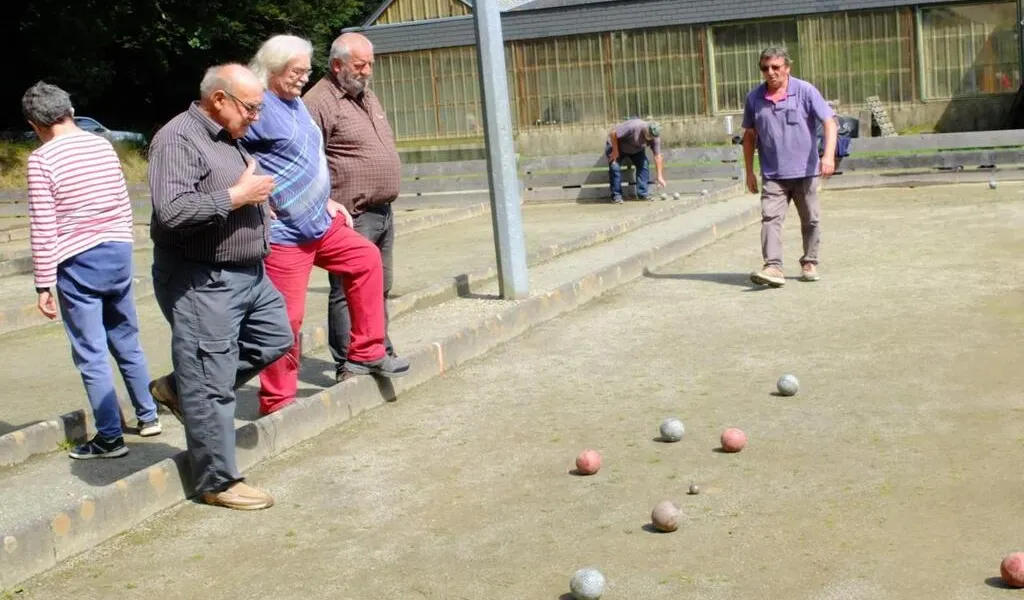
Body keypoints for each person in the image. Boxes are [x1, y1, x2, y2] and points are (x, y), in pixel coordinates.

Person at [146, 63, 294, 511]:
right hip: (201, 278)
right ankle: (217, 481)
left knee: (275, 338)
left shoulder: (228, 135)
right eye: (251, 107)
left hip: (248, 273)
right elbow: (171, 212)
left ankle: (179, 388)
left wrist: (257, 207)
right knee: (210, 383)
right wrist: (235, 197)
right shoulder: (176, 139)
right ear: (219, 100)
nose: (256, 116)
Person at [241, 35, 409, 416]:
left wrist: (325, 195)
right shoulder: (260, 106)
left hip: (320, 219)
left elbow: (310, 157)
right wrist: (249, 191)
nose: (303, 77)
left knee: (366, 260)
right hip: (286, 232)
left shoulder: (295, 104)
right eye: (296, 71)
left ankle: (367, 351)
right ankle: (278, 401)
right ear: (273, 69)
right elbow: (230, 146)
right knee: (287, 320)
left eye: (305, 70)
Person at [22, 81, 161, 460]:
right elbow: (120, 199)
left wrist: (43, 283)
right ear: (69, 110)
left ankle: (110, 437)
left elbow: (44, 224)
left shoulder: (42, 159)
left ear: (36, 124)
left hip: (77, 258)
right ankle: (148, 415)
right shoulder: (101, 145)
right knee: (126, 337)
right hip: (117, 250)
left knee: (91, 352)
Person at [303, 32, 402, 383]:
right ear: (337, 64)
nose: (367, 71)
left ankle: (378, 349)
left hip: (382, 209)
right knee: (346, 290)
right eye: (360, 65)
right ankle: (348, 360)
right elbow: (307, 160)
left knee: (381, 285)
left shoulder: (366, 96)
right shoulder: (318, 102)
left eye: (370, 64)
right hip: (351, 212)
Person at [742, 46, 837, 287]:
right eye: (765, 68)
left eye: (776, 67)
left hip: (805, 172)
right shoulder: (754, 98)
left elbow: (829, 122)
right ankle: (773, 267)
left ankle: (810, 261)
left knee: (811, 220)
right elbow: (750, 136)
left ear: (787, 68)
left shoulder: (804, 91)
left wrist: (828, 156)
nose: (771, 72)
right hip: (773, 174)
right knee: (770, 219)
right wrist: (749, 171)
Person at [605, 117, 666, 203]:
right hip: (616, 145)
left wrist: (660, 176)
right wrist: (615, 151)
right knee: (615, 167)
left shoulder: (655, 138)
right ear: (646, 128)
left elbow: (658, 156)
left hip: (636, 149)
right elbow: (613, 133)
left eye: (652, 137)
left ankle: (642, 194)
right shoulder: (634, 126)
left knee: (644, 164)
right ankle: (616, 196)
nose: (649, 137)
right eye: (648, 134)